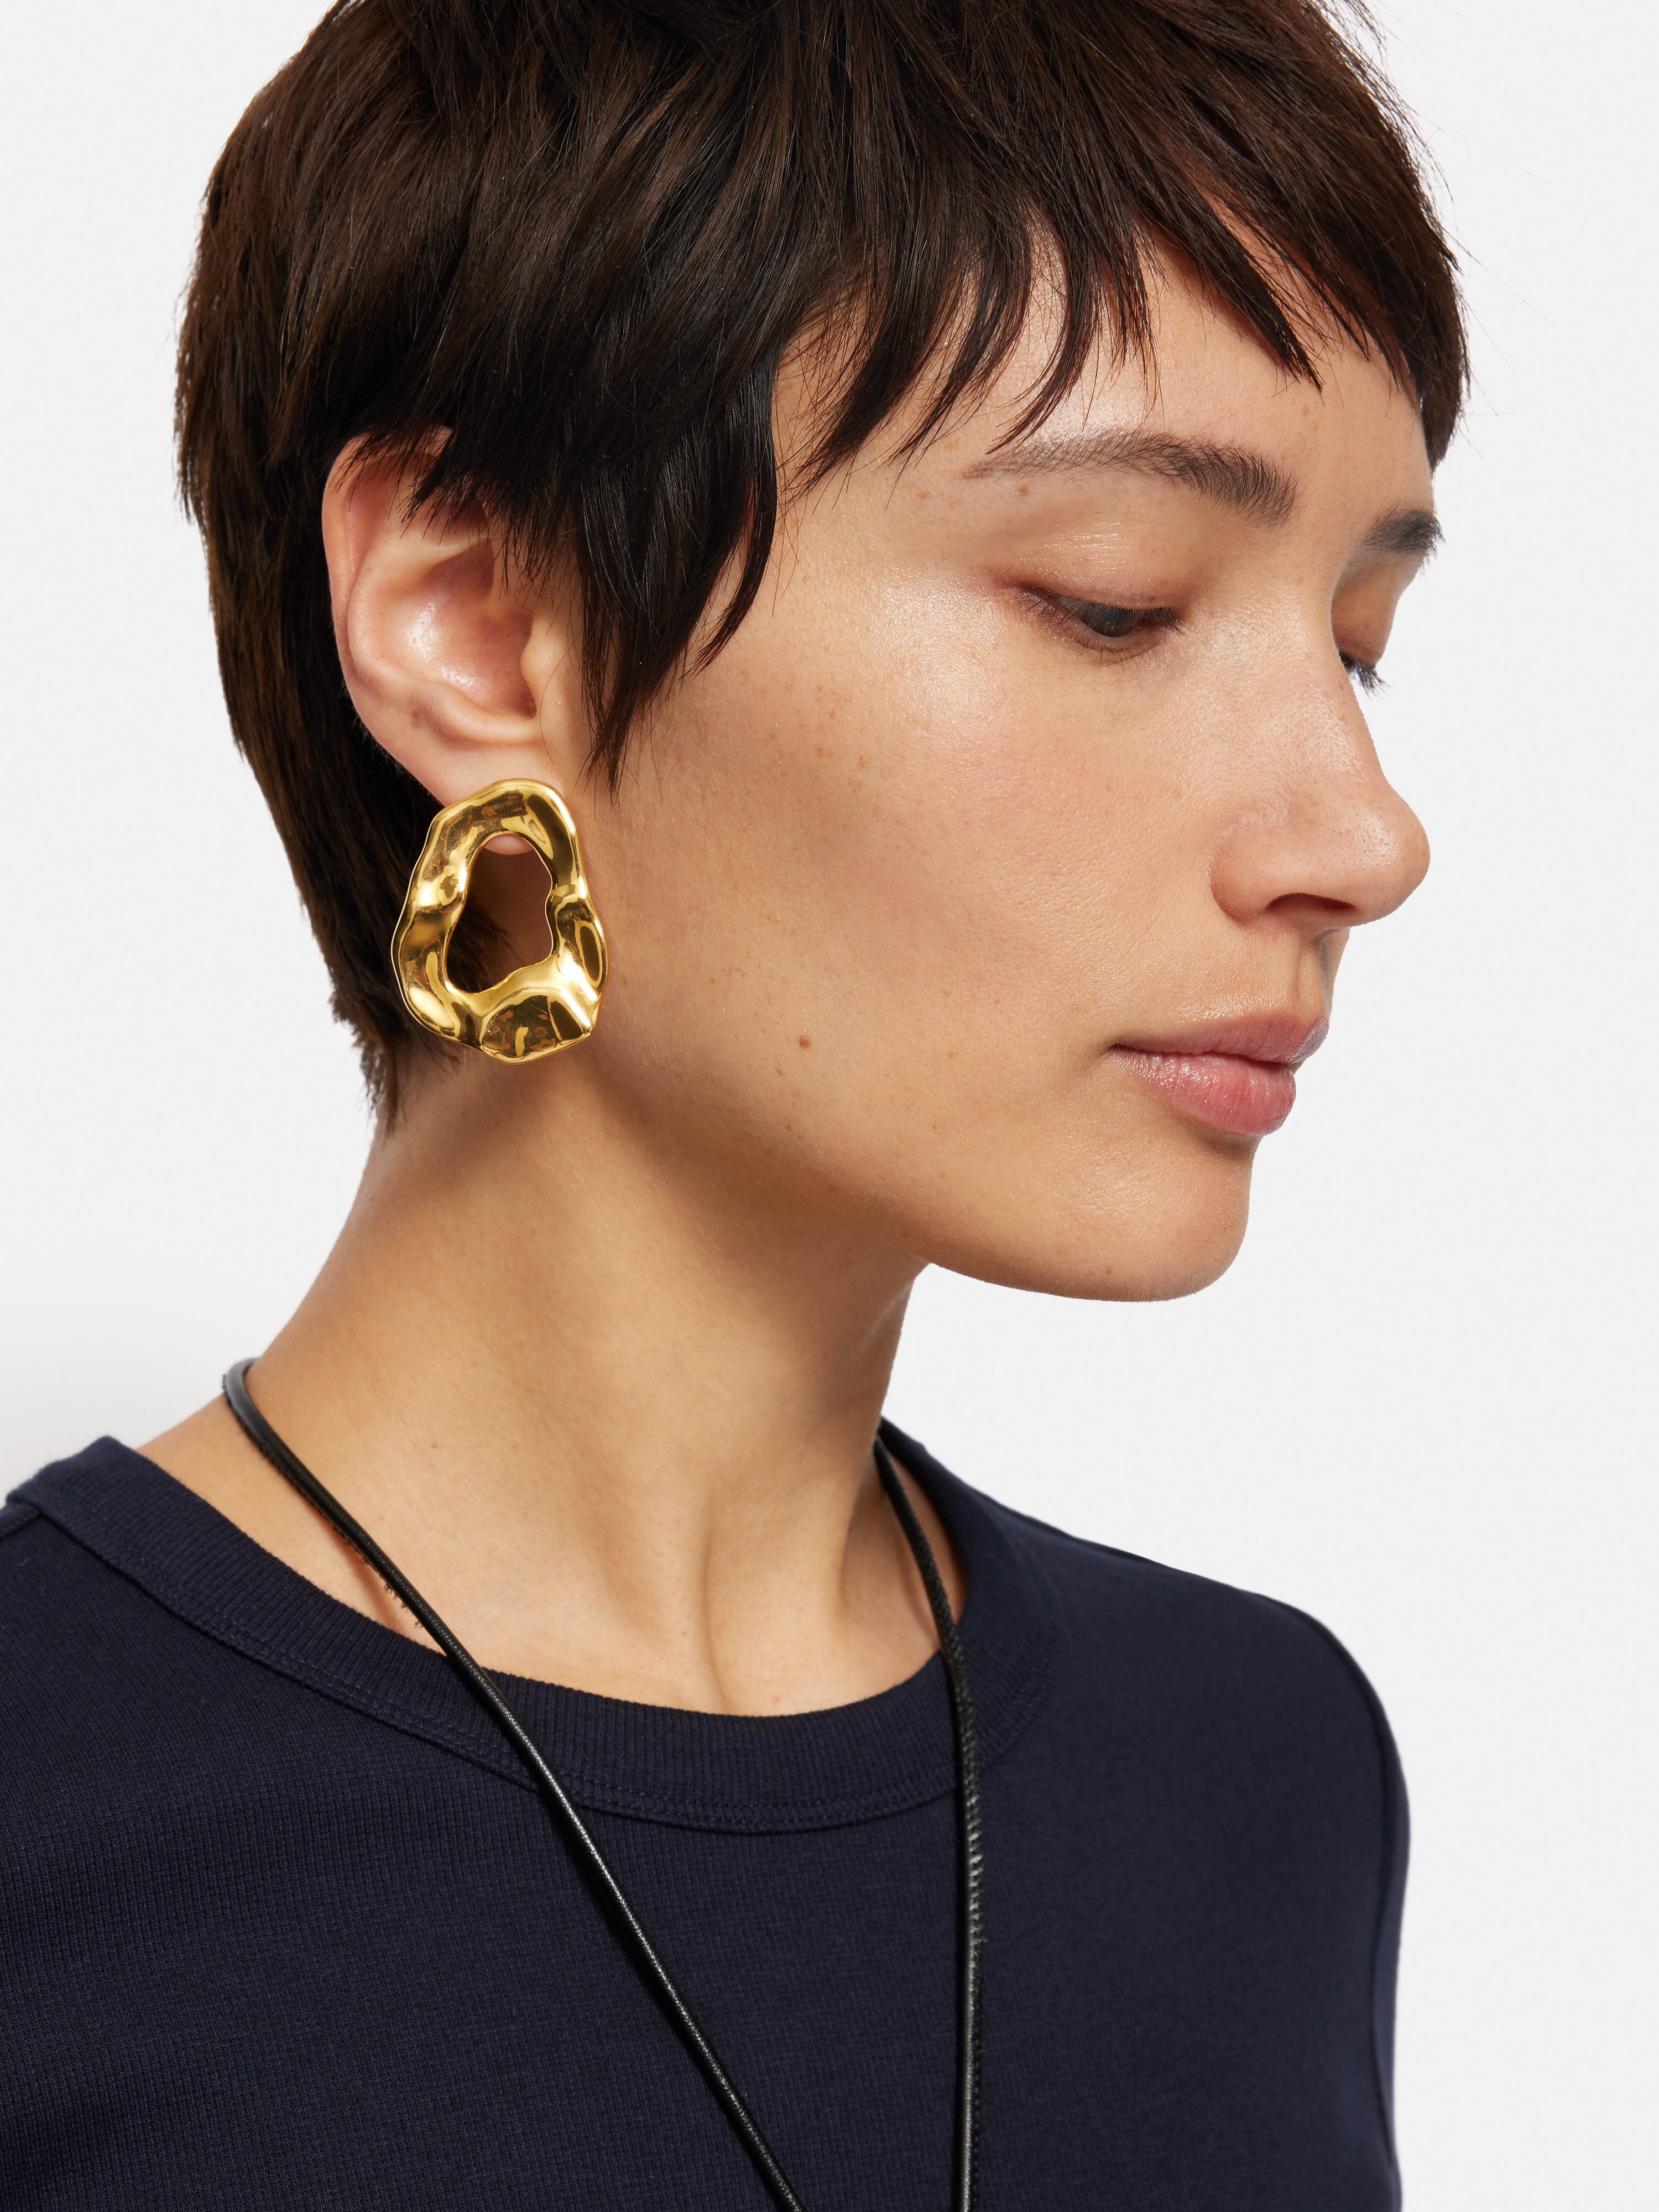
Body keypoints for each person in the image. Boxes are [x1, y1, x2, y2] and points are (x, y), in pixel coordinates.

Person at [0, 2, 1465, 2205]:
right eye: (1117, 602)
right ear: (479, 620)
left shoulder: (1260, 1776)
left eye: (1357, 643)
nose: (1366, 833)